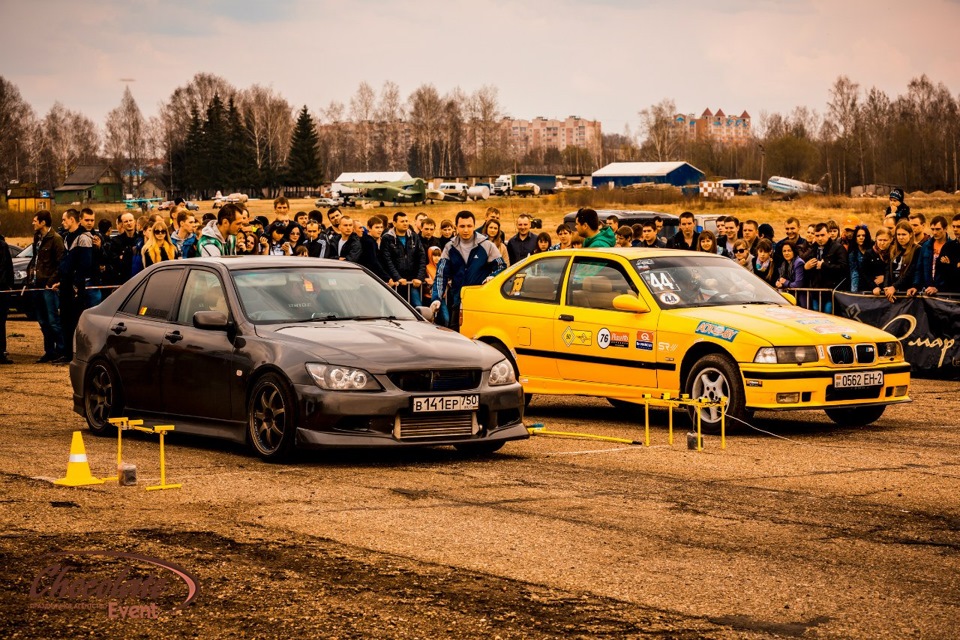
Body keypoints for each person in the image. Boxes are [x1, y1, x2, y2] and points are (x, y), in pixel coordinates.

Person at [431, 210, 506, 332]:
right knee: (457, 337)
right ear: (456, 227)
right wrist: (436, 298)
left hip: (480, 302)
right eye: (462, 226)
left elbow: (501, 266)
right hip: (458, 301)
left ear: (474, 226)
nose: (466, 230)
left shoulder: (487, 245)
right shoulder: (449, 247)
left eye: (469, 226)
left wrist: (493, 276)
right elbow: (441, 274)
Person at [55, 209, 93, 362]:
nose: (63, 222)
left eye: (64, 219)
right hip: (66, 285)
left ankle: (76, 355)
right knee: (64, 320)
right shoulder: (67, 238)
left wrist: (77, 283)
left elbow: (85, 264)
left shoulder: (83, 238)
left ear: (72, 220)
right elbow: (66, 262)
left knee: (75, 320)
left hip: (76, 287)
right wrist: (61, 280)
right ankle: (67, 353)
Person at [381, 212, 426, 303]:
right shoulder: (387, 238)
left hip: (412, 281)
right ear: (394, 223)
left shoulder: (414, 237)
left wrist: (419, 277)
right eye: (402, 221)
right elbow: (387, 260)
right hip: (395, 283)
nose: (405, 223)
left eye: (406, 221)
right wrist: (397, 277)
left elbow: (422, 257)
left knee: (417, 306)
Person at [910, 215, 959, 296]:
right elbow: (919, 268)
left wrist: (939, 287)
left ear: (945, 229)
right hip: (927, 289)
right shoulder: (926, 246)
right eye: (932, 229)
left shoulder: (951, 246)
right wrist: (915, 285)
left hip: (945, 291)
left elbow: (951, 273)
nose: (935, 232)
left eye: (938, 229)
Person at [803, 222, 848, 311]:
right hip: (816, 291)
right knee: (816, 313)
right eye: (817, 235)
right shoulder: (812, 249)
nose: (820, 238)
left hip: (831, 291)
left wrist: (824, 265)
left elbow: (843, 268)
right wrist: (806, 268)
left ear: (828, 234)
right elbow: (806, 271)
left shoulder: (838, 248)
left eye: (822, 235)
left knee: (828, 312)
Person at [881, 221, 919, 302]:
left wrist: (894, 287)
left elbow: (910, 272)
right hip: (892, 292)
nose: (901, 237)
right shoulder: (894, 250)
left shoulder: (917, 249)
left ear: (911, 234)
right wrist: (886, 288)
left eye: (904, 234)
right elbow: (888, 270)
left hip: (907, 294)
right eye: (898, 234)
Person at [104, 212, 140, 285]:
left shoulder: (141, 239)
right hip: (122, 280)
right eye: (126, 221)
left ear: (135, 222)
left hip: (139, 278)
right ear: (122, 224)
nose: (129, 223)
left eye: (130, 220)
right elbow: (114, 262)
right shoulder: (115, 241)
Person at [358, 215, 389, 282]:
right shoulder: (369, 242)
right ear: (369, 228)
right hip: (368, 278)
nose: (380, 230)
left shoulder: (370, 241)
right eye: (377, 227)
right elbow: (374, 262)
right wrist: (387, 278)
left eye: (381, 227)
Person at [0, 218, 13, 364]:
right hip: (2, 289)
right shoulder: (3, 245)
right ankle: (1, 352)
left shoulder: (3, 245)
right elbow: (8, 268)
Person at [863, 228, 892, 296]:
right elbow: (864, 273)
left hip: (889, 290)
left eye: (885, 240)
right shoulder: (869, 253)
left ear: (891, 239)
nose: (882, 243)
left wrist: (885, 278)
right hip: (873, 290)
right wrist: (874, 287)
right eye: (880, 240)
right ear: (876, 239)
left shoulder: (894, 253)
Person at [847, 225, 873, 293]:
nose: (861, 238)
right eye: (858, 236)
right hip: (861, 285)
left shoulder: (873, 250)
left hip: (875, 284)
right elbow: (854, 272)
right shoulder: (853, 254)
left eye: (863, 235)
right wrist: (854, 291)